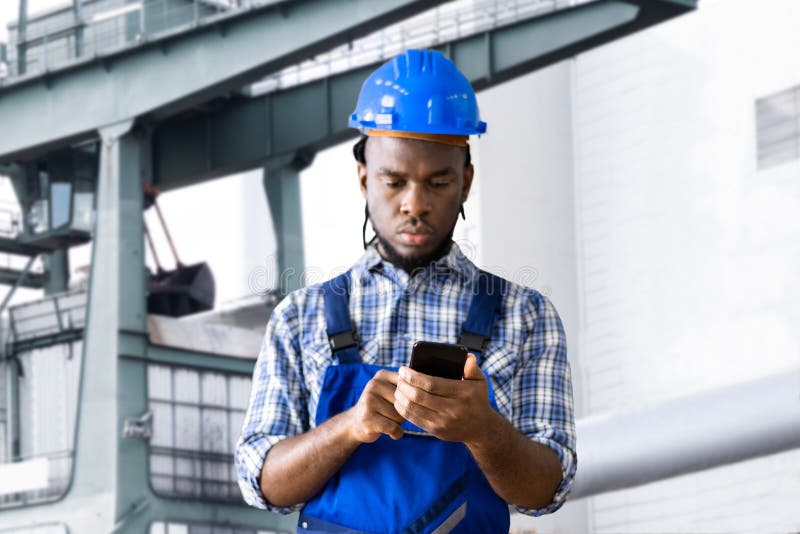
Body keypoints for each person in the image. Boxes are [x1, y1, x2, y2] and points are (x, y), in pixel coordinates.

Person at [235, 49, 577, 533]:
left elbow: (548, 489)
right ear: (363, 179)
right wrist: (349, 427)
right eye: (394, 182)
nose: (414, 204)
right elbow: (261, 481)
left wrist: (484, 432)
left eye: (438, 183)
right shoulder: (300, 317)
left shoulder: (525, 316)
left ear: (466, 182)